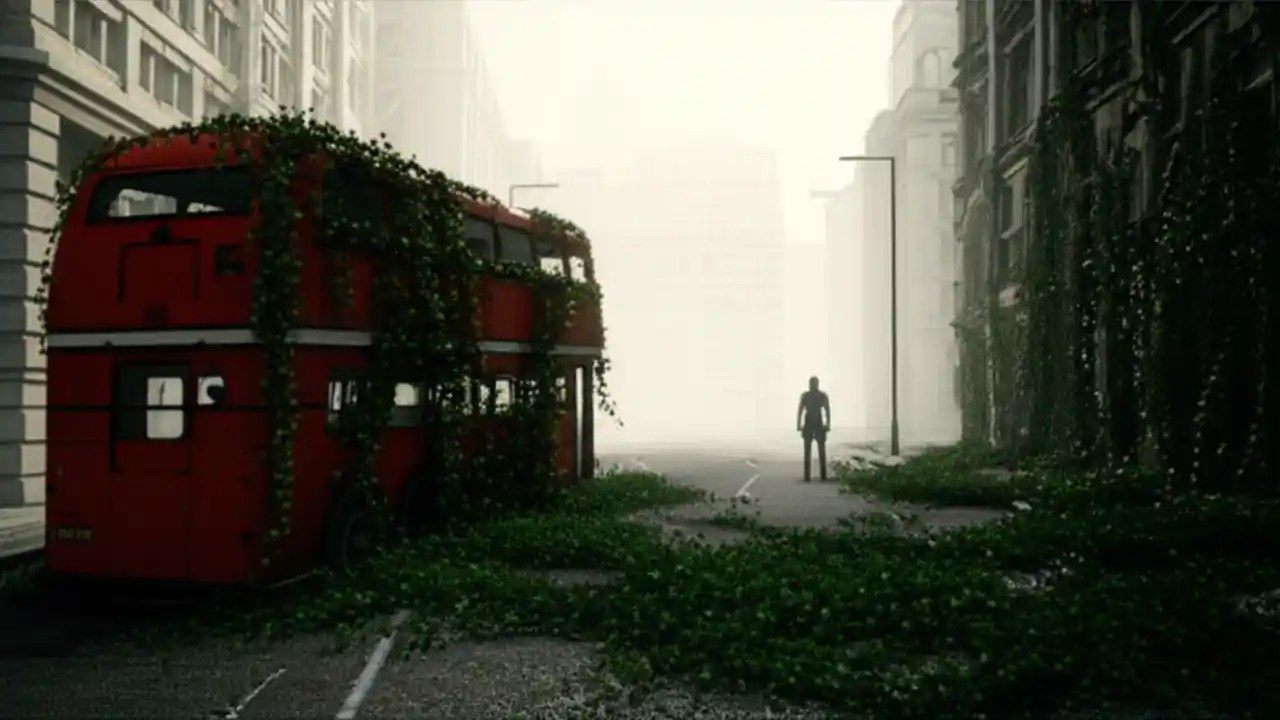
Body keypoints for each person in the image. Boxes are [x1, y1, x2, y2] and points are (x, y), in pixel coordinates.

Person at [796, 376, 831, 482]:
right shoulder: (807, 396)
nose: (813, 385)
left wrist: (828, 424)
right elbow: (800, 410)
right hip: (810, 422)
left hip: (815, 422)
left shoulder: (820, 395)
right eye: (812, 383)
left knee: (820, 450)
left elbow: (827, 410)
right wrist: (798, 424)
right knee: (808, 450)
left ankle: (821, 475)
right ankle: (809, 476)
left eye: (814, 383)